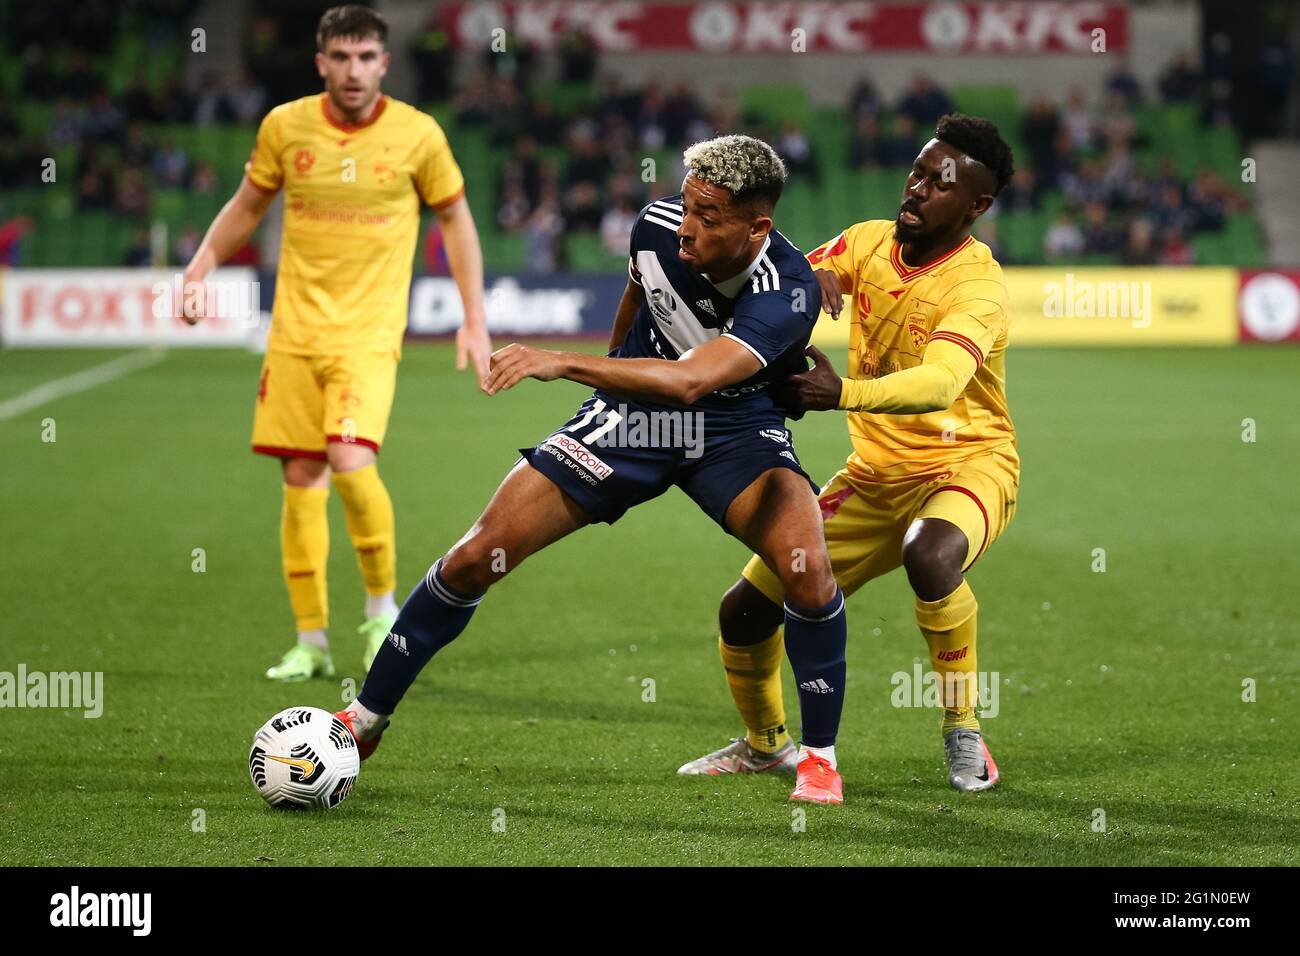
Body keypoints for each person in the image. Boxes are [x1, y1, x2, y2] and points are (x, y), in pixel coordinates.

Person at [336, 135, 854, 805]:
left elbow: (694, 383)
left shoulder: (786, 292)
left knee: (807, 565)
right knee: (477, 555)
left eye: (709, 215)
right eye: (688, 203)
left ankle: (818, 759)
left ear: (758, 226)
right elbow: (639, 295)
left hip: (733, 430)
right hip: (631, 419)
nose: (687, 225)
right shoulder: (659, 226)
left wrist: (566, 360)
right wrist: (612, 371)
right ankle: (364, 720)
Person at [679, 114, 1018, 794]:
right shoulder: (866, 243)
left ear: (976, 206)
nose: (918, 190)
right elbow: (775, 278)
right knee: (743, 611)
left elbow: (940, 384)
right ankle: (764, 744)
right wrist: (802, 281)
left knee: (931, 554)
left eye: (941, 184)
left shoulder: (977, 287)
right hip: (872, 477)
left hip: (967, 466)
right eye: (919, 172)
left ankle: (963, 731)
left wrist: (841, 394)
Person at [181, 5, 492, 681]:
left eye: (366, 58)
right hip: (294, 334)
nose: (354, 71)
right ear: (322, 62)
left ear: (384, 62)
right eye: (341, 58)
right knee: (300, 480)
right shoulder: (284, 126)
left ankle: (382, 609)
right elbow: (246, 205)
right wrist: (199, 265)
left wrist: (474, 316)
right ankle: (311, 642)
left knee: (351, 462)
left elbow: (458, 221)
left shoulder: (418, 135)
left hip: (368, 335)